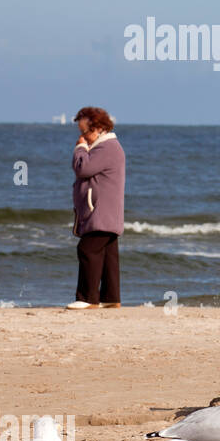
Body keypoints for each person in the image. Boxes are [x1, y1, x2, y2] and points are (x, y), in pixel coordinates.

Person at [68, 107, 125, 310]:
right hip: (106, 212)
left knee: (87, 249)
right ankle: (110, 298)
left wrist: (80, 149)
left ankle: (87, 298)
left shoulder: (107, 147)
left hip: (101, 212)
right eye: (80, 132)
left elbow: (83, 169)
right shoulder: (107, 146)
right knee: (108, 255)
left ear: (99, 128)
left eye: (85, 132)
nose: (82, 137)